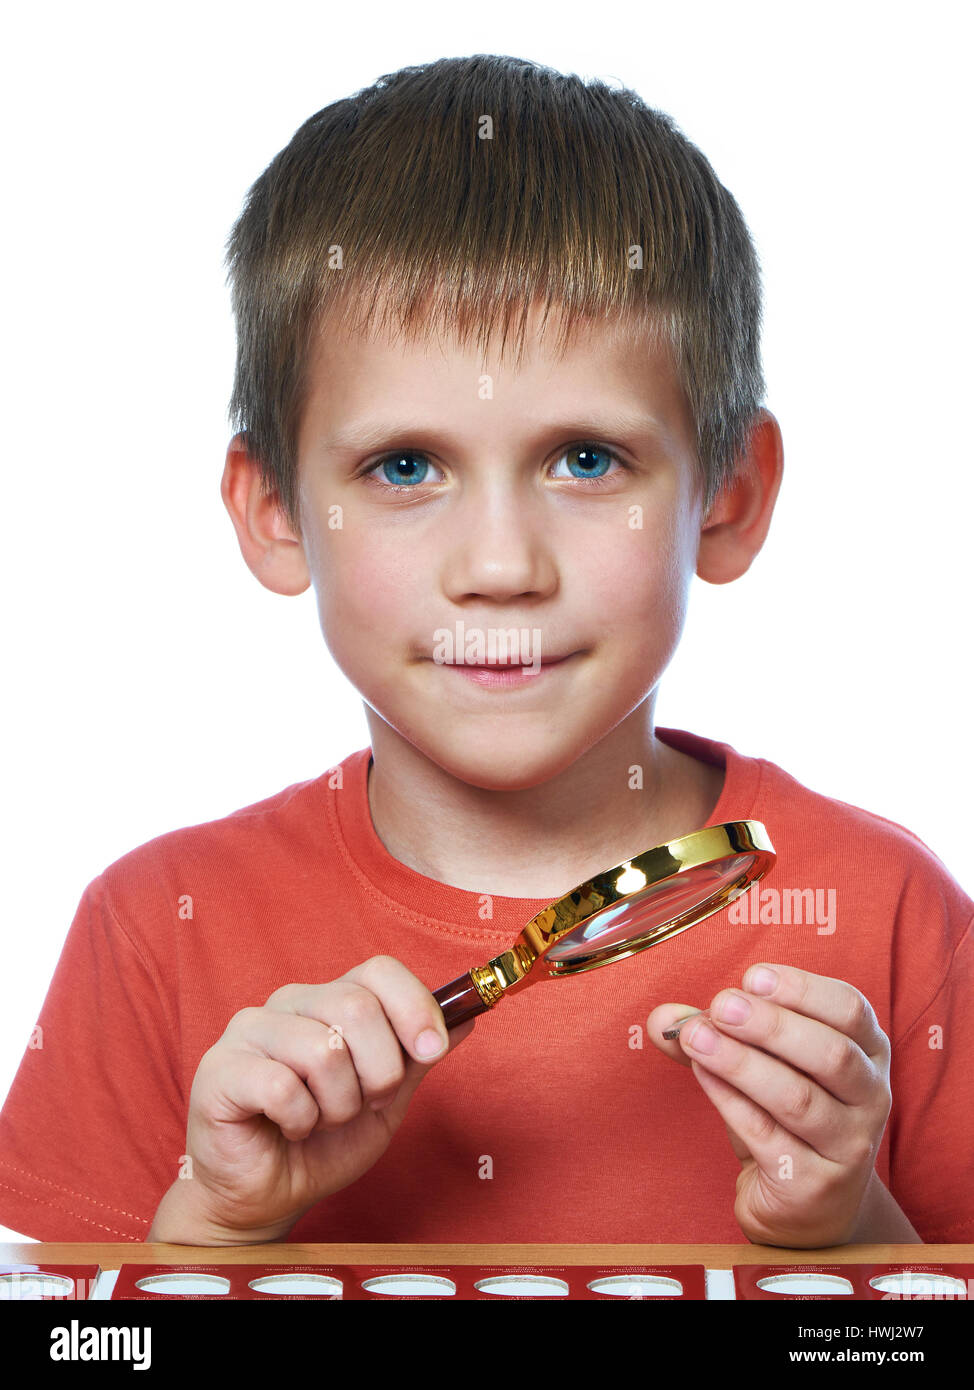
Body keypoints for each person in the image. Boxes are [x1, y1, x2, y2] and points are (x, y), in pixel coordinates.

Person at [1, 54, 971, 1249]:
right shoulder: (153, 930)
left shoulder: (891, 917)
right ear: (274, 513)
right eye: (404, 467)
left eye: (583, 460)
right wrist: (221, 1216)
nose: (501, 564)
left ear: (726, 495)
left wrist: (847, 1228)